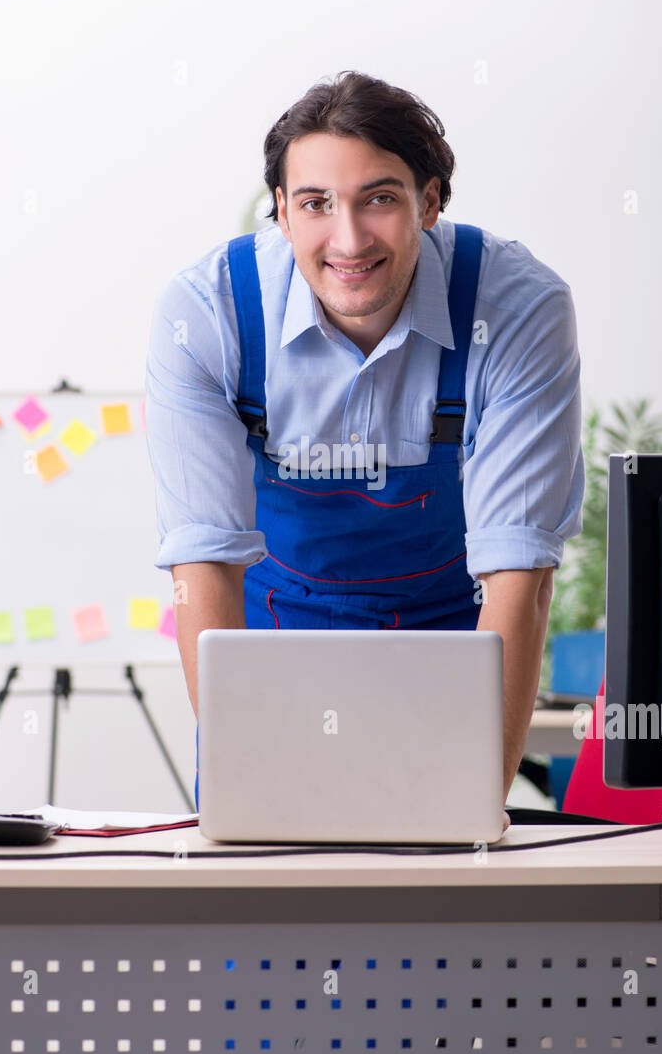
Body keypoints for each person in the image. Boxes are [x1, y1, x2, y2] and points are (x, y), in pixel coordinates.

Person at [144, 70, 585, 821]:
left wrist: (476, 808)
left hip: (451, 654)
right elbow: (203, 564)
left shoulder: (514, 307)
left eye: (379, 198)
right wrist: (238, 772)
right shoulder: (207, 314)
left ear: (431, 202)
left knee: (444, 921)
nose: (347, 240)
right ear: (281, 212)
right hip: (265, 653)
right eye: (315, 204)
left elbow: (520, 574)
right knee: (260, 914)